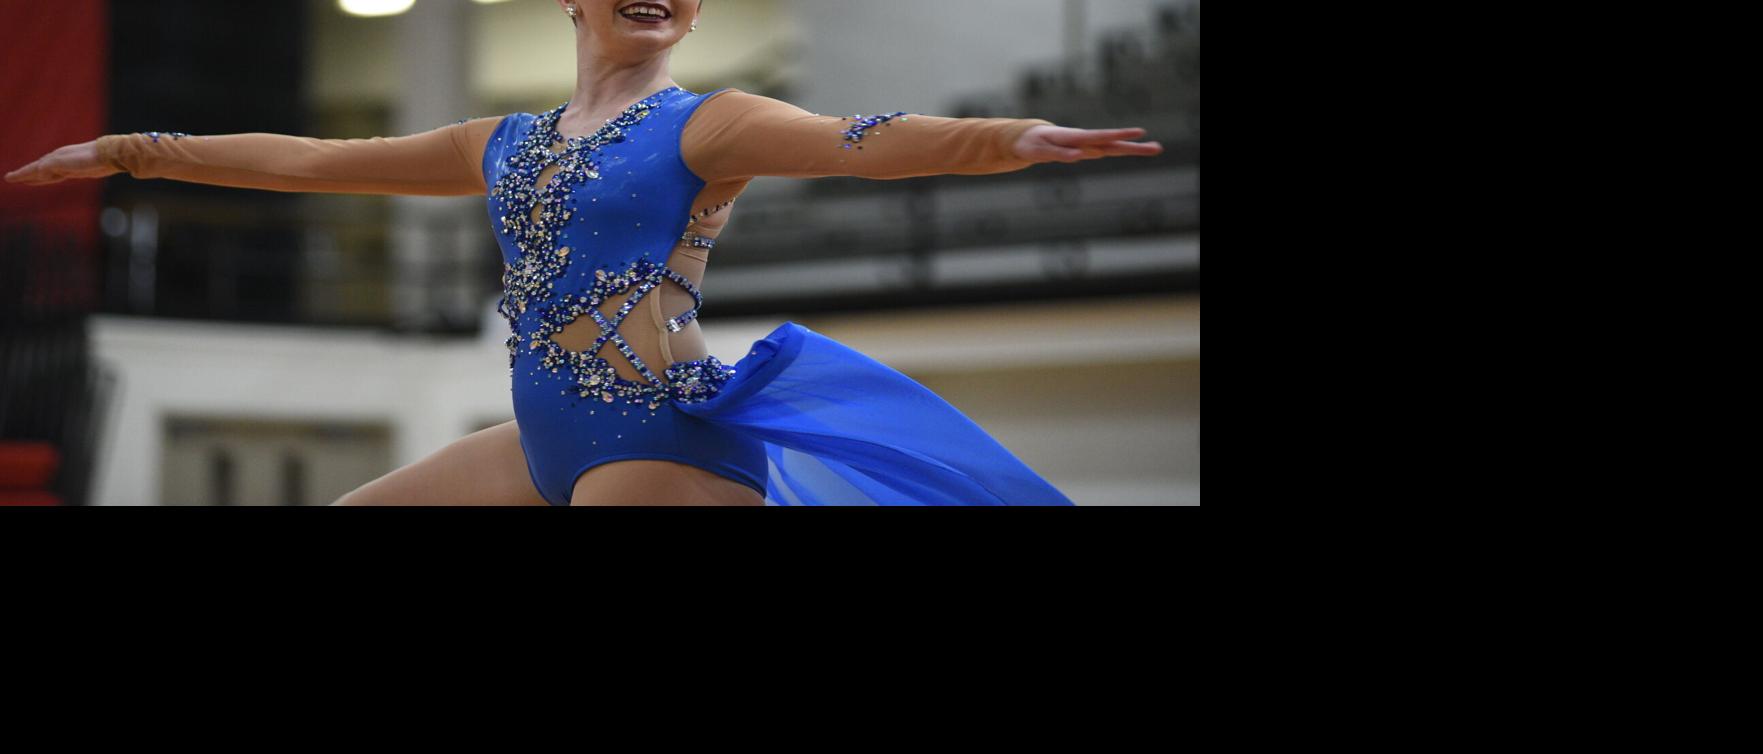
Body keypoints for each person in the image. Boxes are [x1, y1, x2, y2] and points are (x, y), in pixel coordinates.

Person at [6, 0, 1163, 506]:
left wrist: (1007, 138)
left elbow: (859, 143)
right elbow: (313, 161)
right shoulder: (499, 141)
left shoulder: (707, 124)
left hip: (655, 440)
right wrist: (133, 149)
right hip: (543, 440)